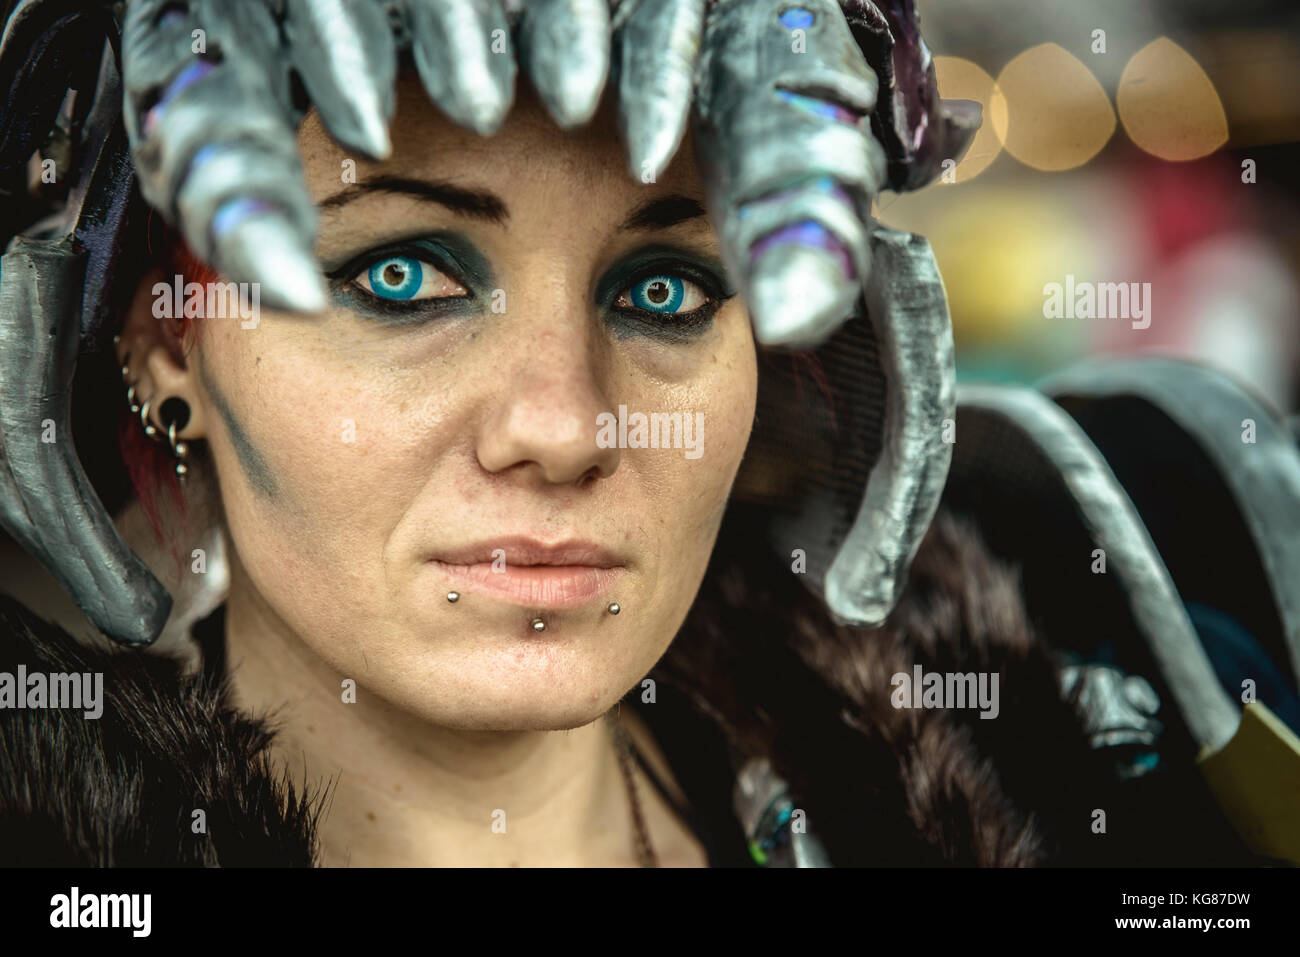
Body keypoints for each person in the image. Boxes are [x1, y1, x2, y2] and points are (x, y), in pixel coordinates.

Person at [1, 0, 1297, 868]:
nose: (564, 426)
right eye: (402, 277)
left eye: (663, 289)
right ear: (164, 339)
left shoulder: (1141, 641)